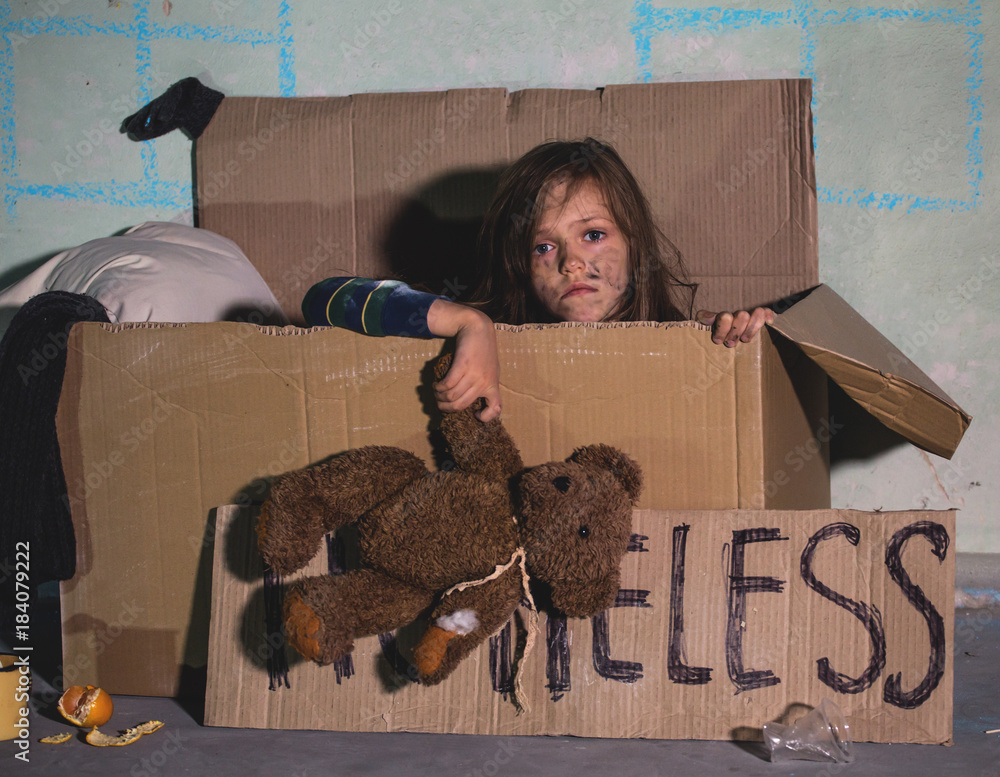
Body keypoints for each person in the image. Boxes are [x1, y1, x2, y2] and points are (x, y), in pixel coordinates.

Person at [302, 138, 773, 423]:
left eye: (593, 235)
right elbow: (322, 299)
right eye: (543, 246)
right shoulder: (486, 337)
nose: (571, 262)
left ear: (635, 242)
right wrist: (469, 324)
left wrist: (746, 336)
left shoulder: (688, 337)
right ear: (520, 268)